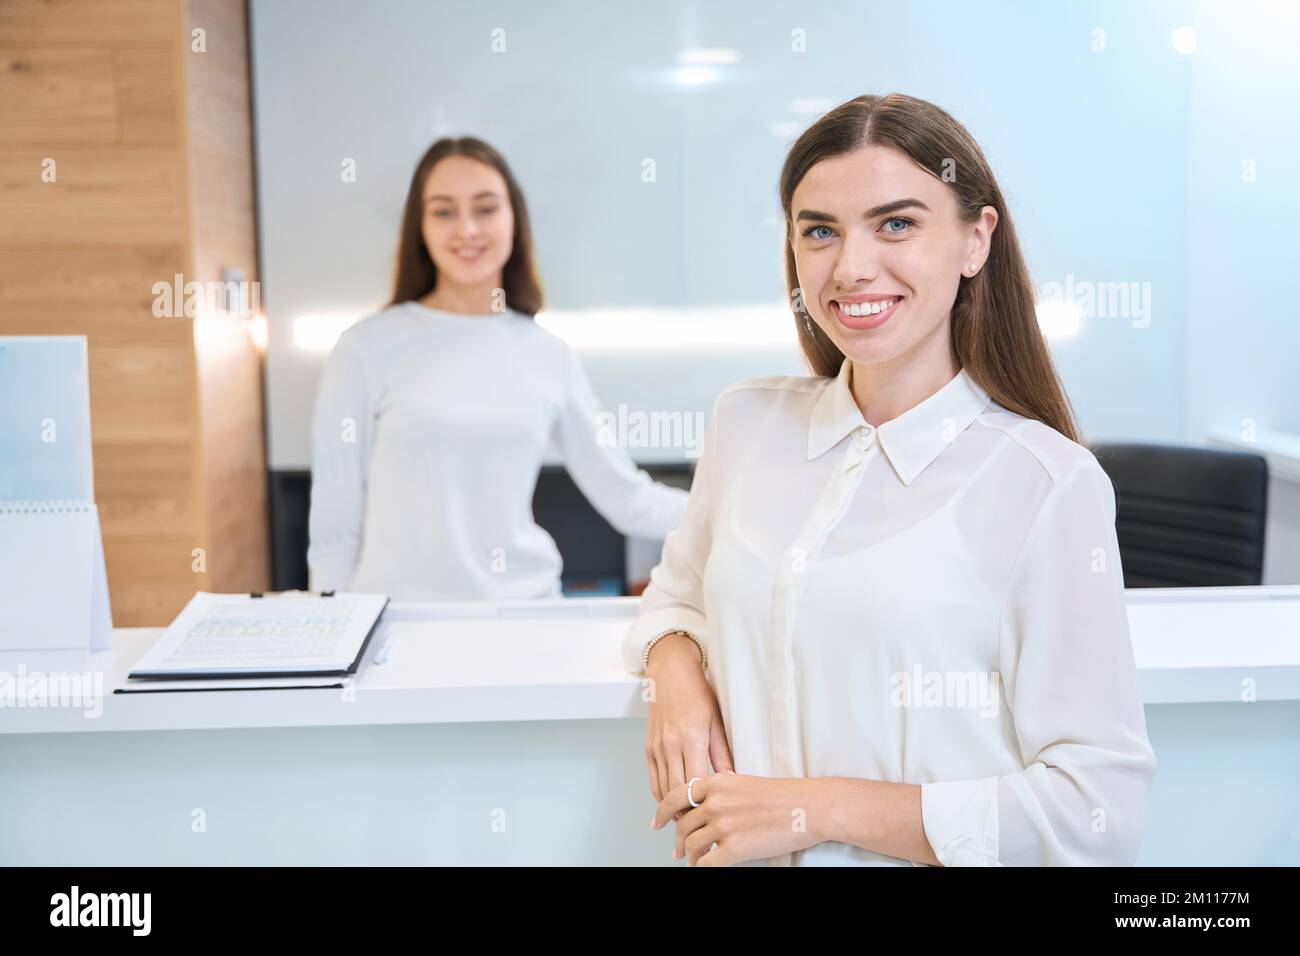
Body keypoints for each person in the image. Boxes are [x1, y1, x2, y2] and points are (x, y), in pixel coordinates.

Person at [626, 93, 1157, 867]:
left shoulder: (1048, 485)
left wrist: (815, 808)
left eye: (897, 224)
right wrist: (674, 670)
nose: (851, 268)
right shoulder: (746, 424)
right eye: (820, 232)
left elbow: (1096, 813)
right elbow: (678, 594)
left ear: (977, 240)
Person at [308, 137, 687, 600]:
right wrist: (334, 628)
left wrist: (741, 507)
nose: (467, 229)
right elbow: (334, 525)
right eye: (444, 211)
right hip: (397, 624)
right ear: (420, 228)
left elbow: (627, 499)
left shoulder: (548, 353)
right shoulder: (365, 347)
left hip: (523, 614)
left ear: (514, 220)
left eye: (485, 208)